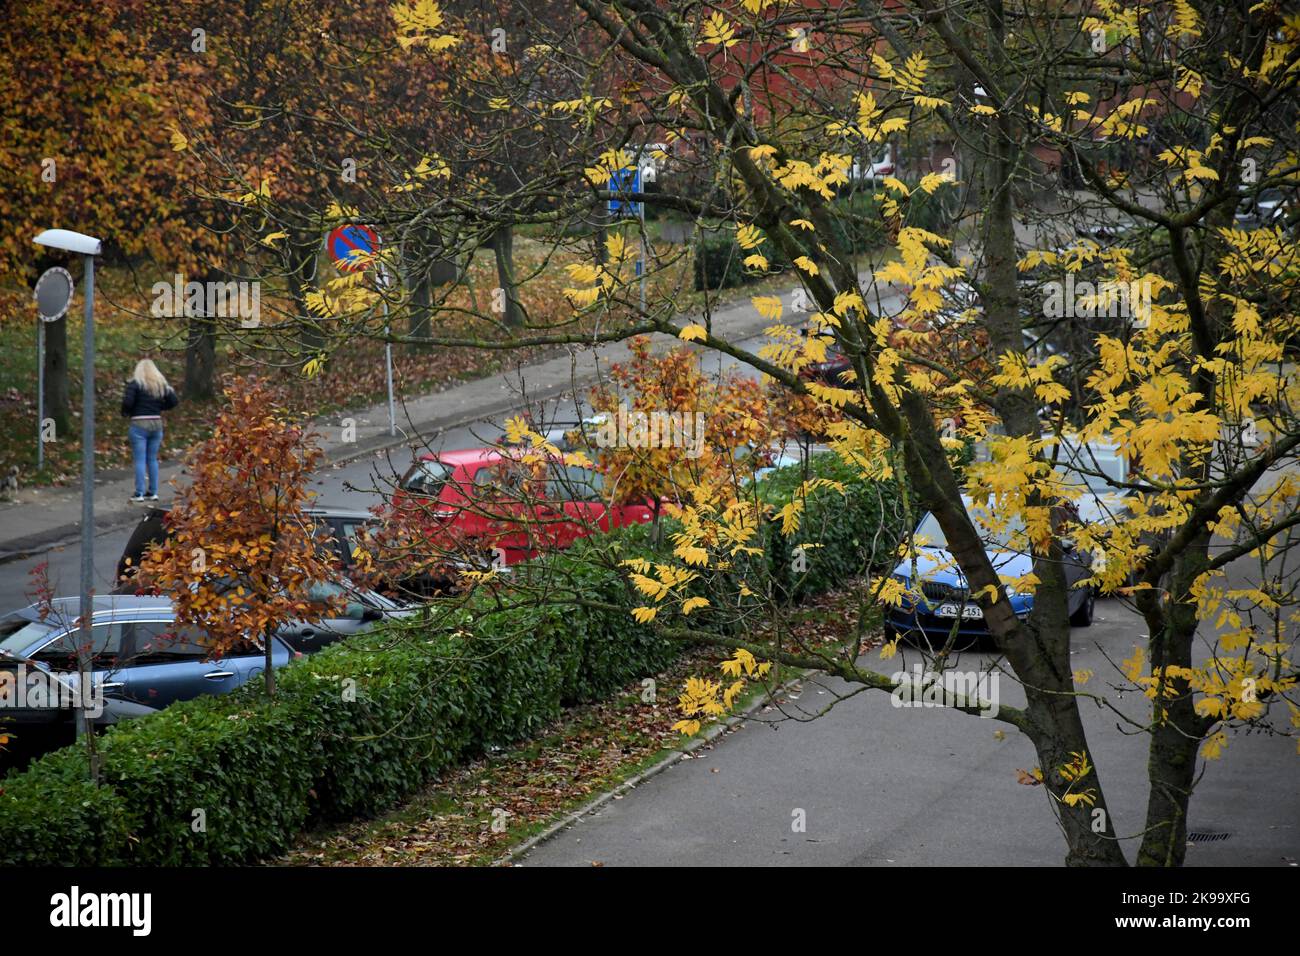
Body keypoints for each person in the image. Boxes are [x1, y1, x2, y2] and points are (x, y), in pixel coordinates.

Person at [121, 359, 178, 503]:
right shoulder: (160, 385)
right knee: (152, 459)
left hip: (139, 423)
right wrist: (160, 408)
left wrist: (126, 412)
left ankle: (139, 493)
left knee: (140, 459)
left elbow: (128, 402)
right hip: (156, 422)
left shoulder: (135, 384)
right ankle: (153, 492)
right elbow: (173, 401)